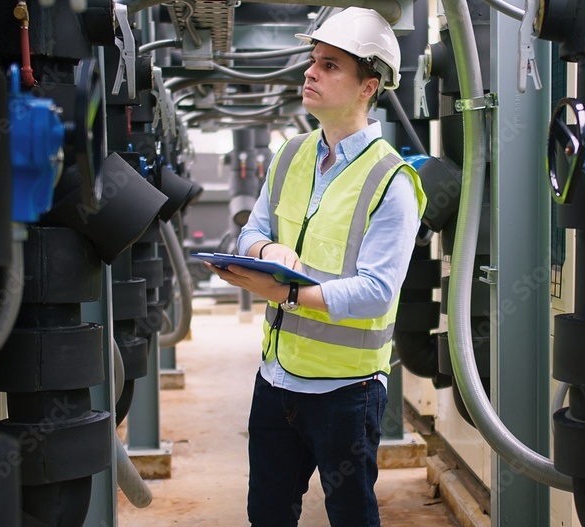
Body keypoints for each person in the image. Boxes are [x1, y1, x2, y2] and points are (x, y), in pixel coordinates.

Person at [205, 7, 427, 527]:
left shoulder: (391, 182)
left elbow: (376, 291)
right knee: (266, 514)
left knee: (351, 516)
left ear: (368, 87)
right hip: (276, 379)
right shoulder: (289, 157)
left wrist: (285, 294)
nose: (310, 72)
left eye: (330, 65)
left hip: (346, 393)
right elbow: (253, 231)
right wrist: (267, 255)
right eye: (312, 61)